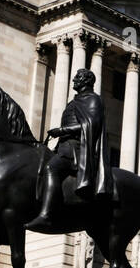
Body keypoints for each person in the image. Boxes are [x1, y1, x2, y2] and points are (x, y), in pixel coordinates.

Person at [26, 68, 115, 232]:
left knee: (50, 167)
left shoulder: (93, 100)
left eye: (78, 77)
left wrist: (63, 131)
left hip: (77, 148)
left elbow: (91, 125)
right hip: (64, 146)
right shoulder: (73, 102)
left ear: (87, 81)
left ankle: (46, 214)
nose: (74, 80)